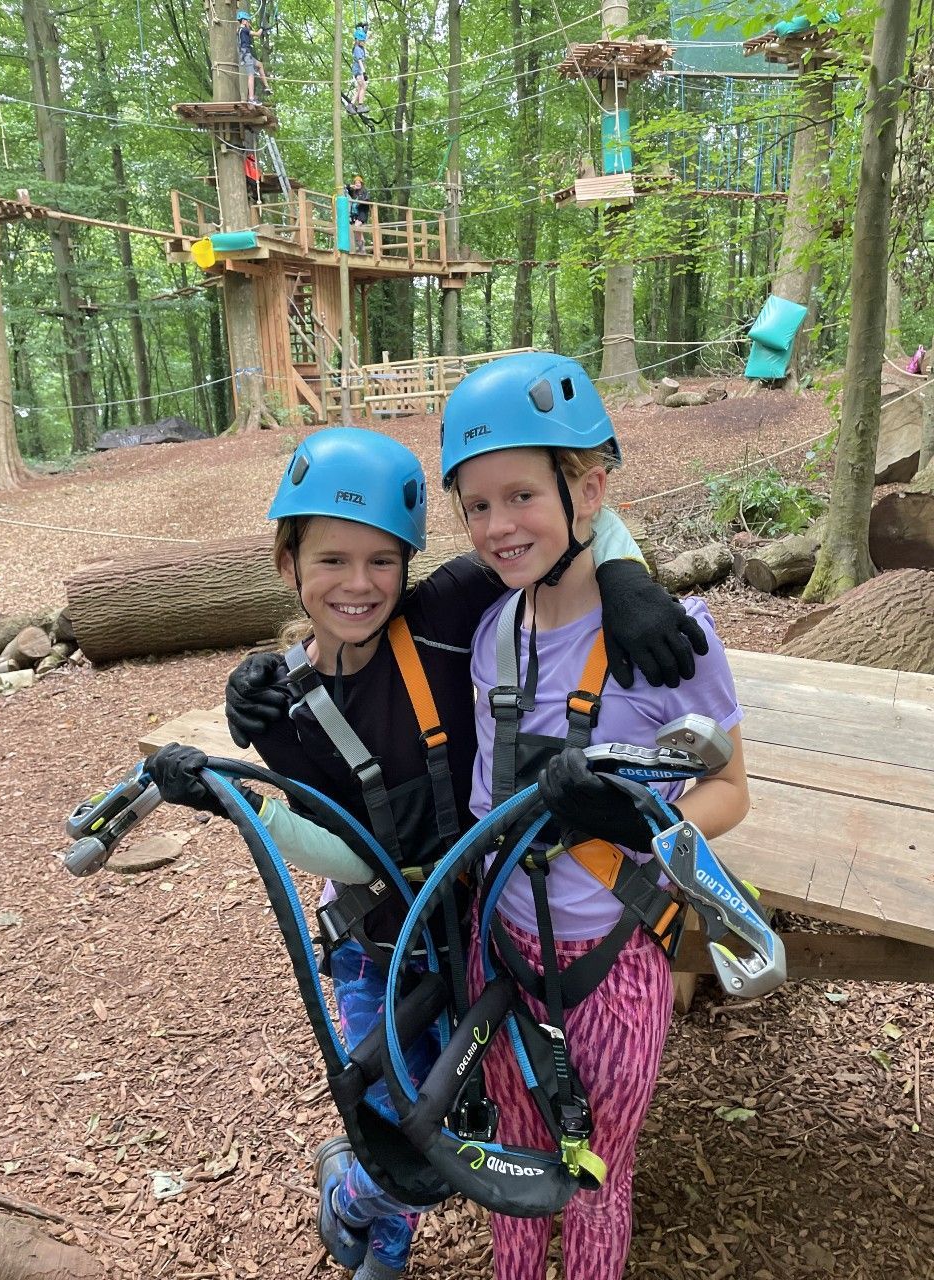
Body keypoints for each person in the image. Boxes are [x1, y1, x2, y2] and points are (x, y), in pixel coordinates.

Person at [146, 424, 707, 1280]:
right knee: (404, 1125)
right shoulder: (285, 709)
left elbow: (548, 530)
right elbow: (342, 847)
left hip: (475, 926)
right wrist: (241, 802)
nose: (359, 585)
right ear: (287, 567)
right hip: (380, 943)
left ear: (408, 564)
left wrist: (626, 578)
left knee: (477, 1114)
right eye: (331, 561)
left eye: (382, 561)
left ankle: (389, 1200)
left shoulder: (444, 618)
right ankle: (372, 1209)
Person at [440, 351, 751, 1280]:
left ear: (589, 491)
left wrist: (630, 821)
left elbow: (731, 793)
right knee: (515, 1162)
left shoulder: (668, 639)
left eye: (521, 496)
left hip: (610, 962)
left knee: (595, 1173)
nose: (498, 526)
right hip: (501, 953)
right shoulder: (495, 632)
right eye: (477, 504)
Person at [237, 10, 271, 105]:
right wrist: (262, 28)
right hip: (246, 55)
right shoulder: (243, 29)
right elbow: (257, 34)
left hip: (247, 55)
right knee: (251, 76)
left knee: (260, 65)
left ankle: (266, 86)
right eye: (248, 21)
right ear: (244, 21)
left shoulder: (241, 31)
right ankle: (251, 98)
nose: (249, 23)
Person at [348, 23, 369, 114]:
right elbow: (360, 61)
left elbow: (363, 33)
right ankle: (360, 106)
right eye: (362, 41)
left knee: (360, 88)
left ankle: (350, 105)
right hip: (358, 71)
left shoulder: (360, 46)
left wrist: (365, 26)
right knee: (363, 86)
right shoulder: (357, 49)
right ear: (358, 40)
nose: (364, 42)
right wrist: (364, 73)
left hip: (359, 71)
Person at [346, 175, 370, 253]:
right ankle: (362, 248)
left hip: (362, 213)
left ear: (361, 183)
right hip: (354, 214)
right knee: (358, 231)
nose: (357, 184)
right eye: (356, 183)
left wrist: (360, 201)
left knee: (356, 227)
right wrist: (352, 186)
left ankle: (361, 247)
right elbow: (345, 187)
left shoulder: (364, 191)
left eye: (359, 183)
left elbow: (367, 199)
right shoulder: (353, 192)